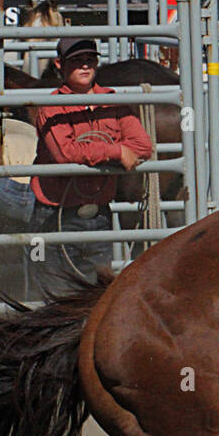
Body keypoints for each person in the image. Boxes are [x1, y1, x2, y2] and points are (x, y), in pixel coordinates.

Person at [30, 37, 153, 297]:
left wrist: (95, 152)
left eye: (90, 60)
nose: (85, 66)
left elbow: (142, 145)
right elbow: (65, 154)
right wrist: (116, 150)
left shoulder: (111, 100)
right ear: (59, 65)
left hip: (97, 214)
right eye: (76, 61)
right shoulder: (51, 106)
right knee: (55, 298)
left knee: (98, 296)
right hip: (55, 215)